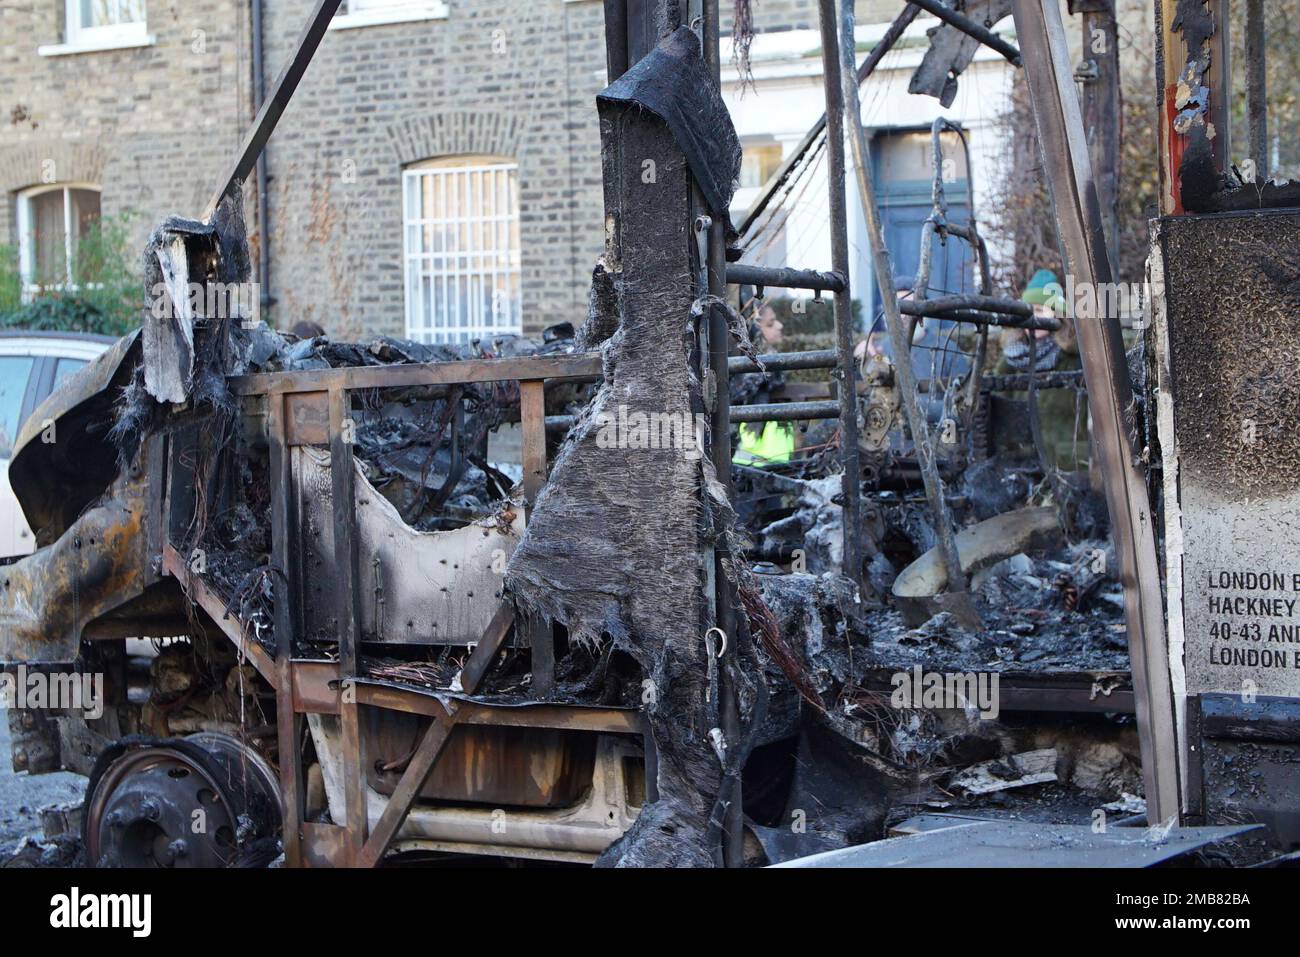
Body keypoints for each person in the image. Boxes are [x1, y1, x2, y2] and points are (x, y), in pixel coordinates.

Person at [994, 268, 1087, 472]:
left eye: (1040, 310)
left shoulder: (1075, 360)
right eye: (1028, 310)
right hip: (1018, 467)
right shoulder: (1011, 360)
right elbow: (994, 411)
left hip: (1066, 468)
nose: (1032, 317)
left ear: (1057, 313)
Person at [734, 302, 795, 467]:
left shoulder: (766, 369)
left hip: (768, 462)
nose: (779, 326)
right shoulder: (751, 372)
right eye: (770, 323)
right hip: (751, 463)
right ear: (755, 329)